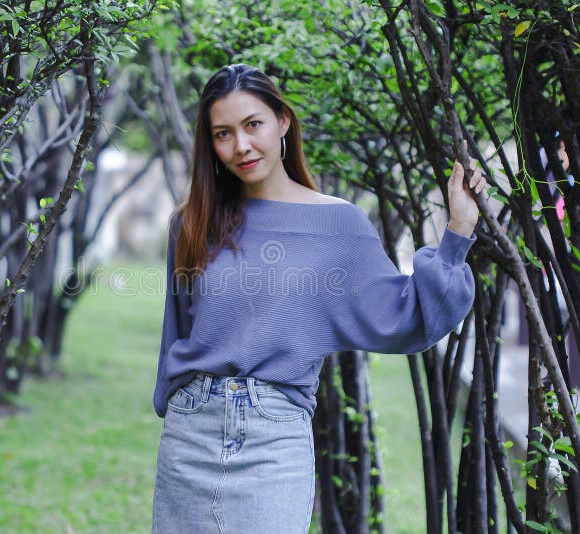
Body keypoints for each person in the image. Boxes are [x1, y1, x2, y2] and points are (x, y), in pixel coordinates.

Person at [151, 64, 486, 533]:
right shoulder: (192, 222)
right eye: (223, 134)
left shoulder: (338, 225)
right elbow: (178, 330)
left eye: (253, 125)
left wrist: (458, 233)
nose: (241, 146)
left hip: (274, 439)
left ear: (283, 121)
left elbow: (406, 315)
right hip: (190, 436)